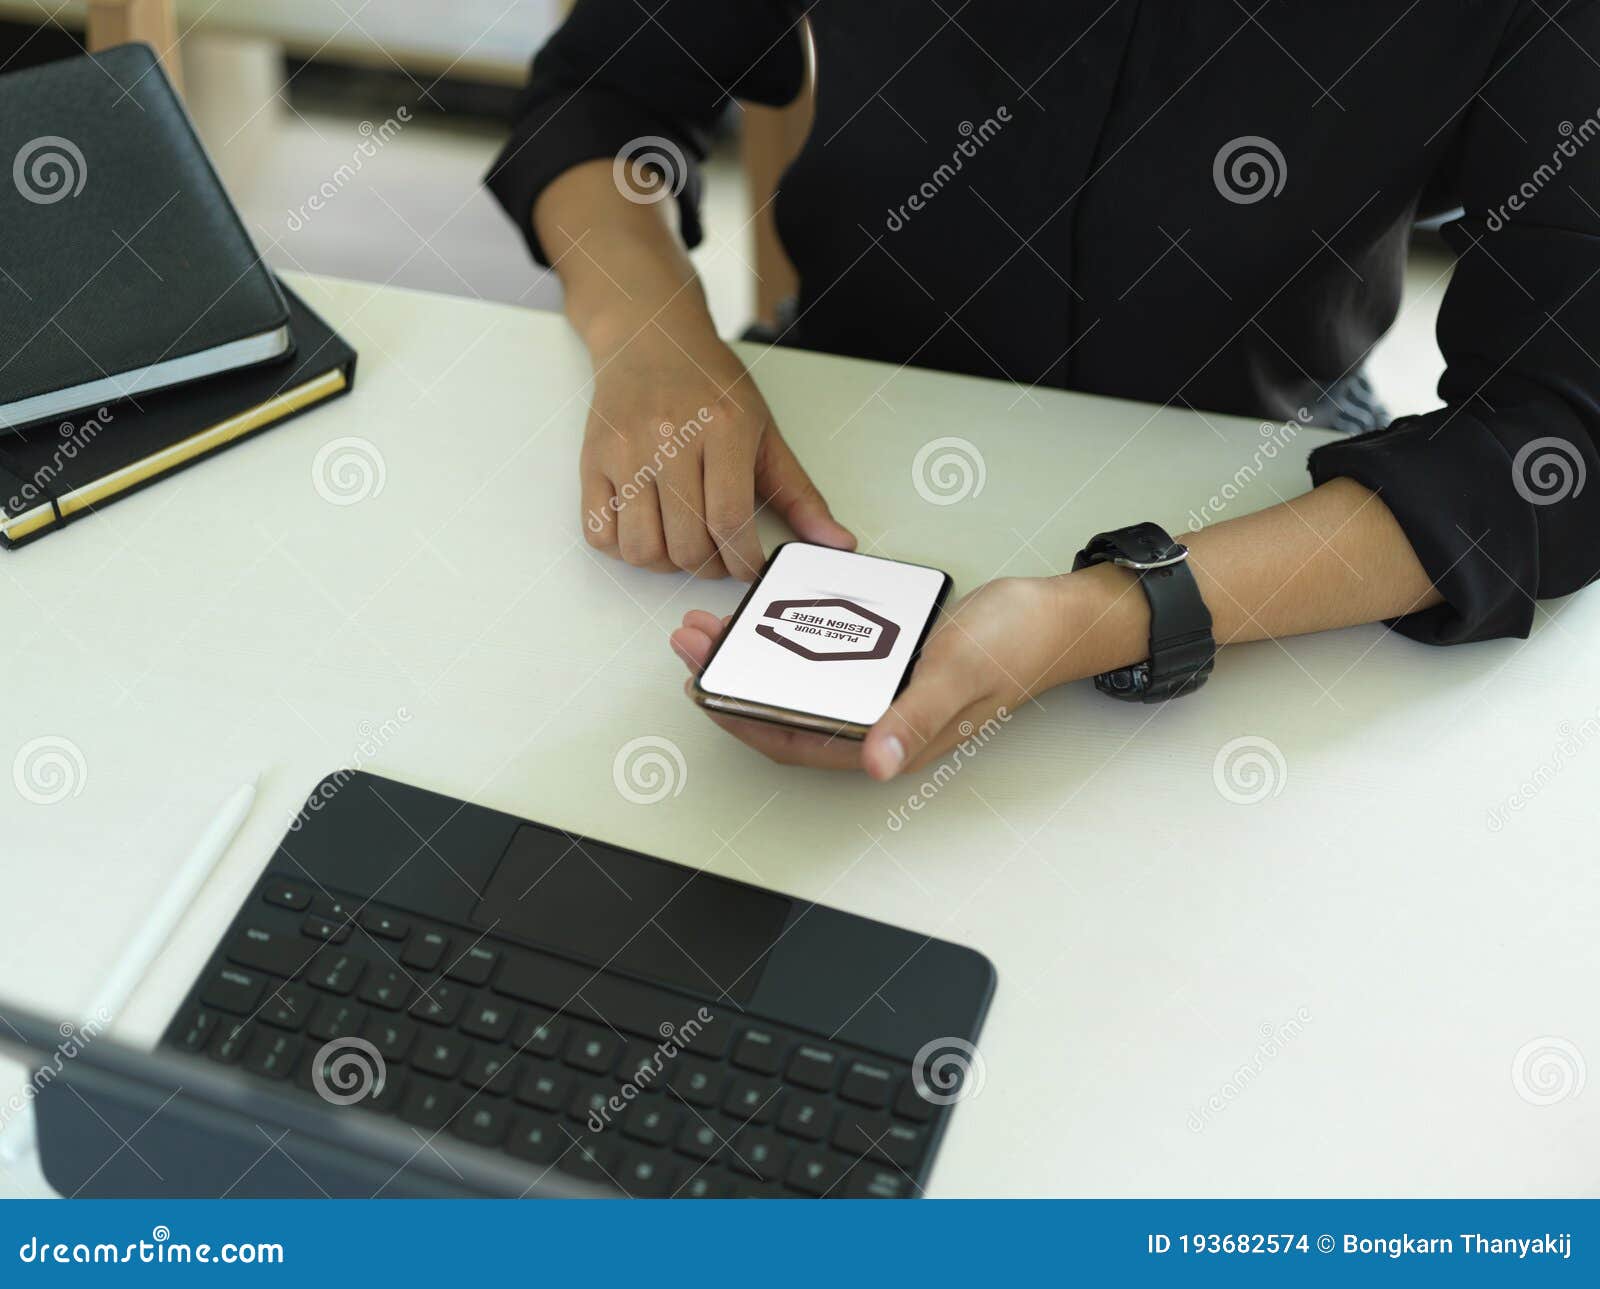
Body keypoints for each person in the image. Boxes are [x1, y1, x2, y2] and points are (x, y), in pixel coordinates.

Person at [487, 2, 1599, 782]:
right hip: (833, 417)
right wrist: (650, 337)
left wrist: (1112, 614)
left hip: (1271, 500)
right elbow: (604, 92)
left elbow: (1555, 431)